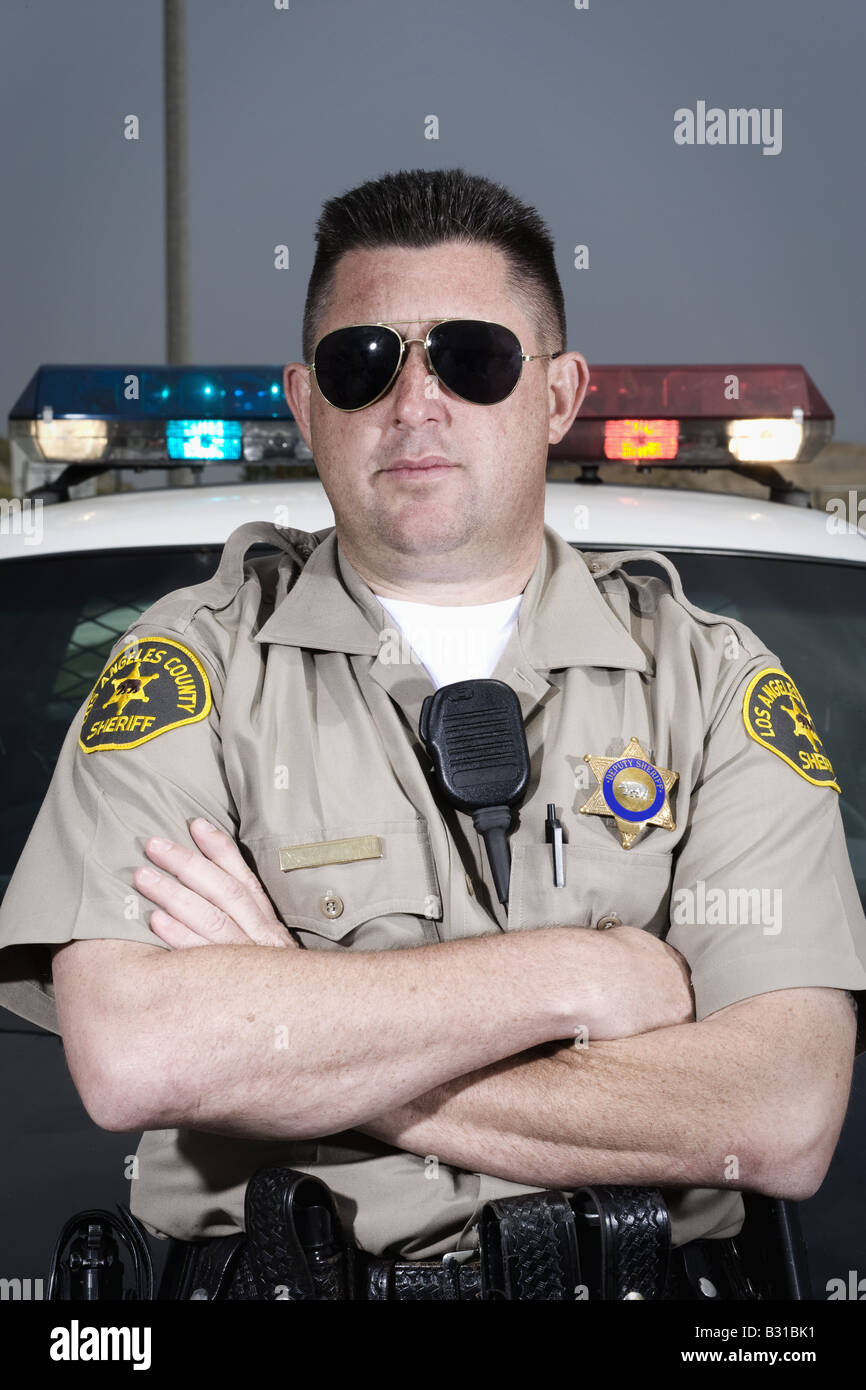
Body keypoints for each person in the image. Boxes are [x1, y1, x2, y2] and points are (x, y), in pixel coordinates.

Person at [0, 168, 863, 1298]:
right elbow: (137, 1056)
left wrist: (287, 1022)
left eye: (473, 357)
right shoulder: (187, 667)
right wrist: (580, 972)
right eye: (365, 362)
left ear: (557, 395)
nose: (415, 402)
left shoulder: (708, 683)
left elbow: (778, 1113)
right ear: (307, 403)